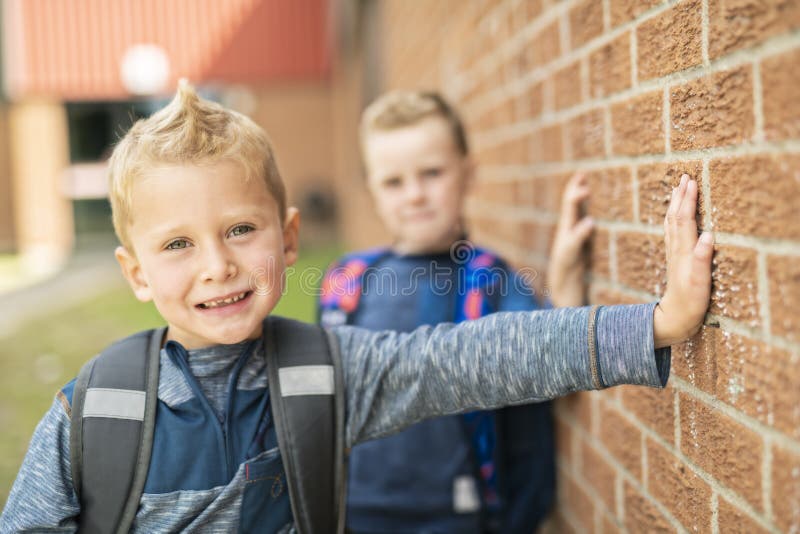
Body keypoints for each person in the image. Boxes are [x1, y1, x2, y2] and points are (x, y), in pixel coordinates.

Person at [0, 81, 714, 533]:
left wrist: (658, 322)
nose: (217, 266)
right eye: (178, 244)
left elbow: (479, 358)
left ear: (286, 240)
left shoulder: (328, 377)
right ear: (136, 273)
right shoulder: (96, 411)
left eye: (240, 230)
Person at [318, 91, 594, 533]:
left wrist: (562, 279)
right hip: (356, 514)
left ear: (468, 174)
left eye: (432, 173)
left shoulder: (489, 280)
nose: (414, 195)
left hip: (460, 515)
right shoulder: (345, 282)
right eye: (393, 182)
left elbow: (550, 353)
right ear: (371, 188)